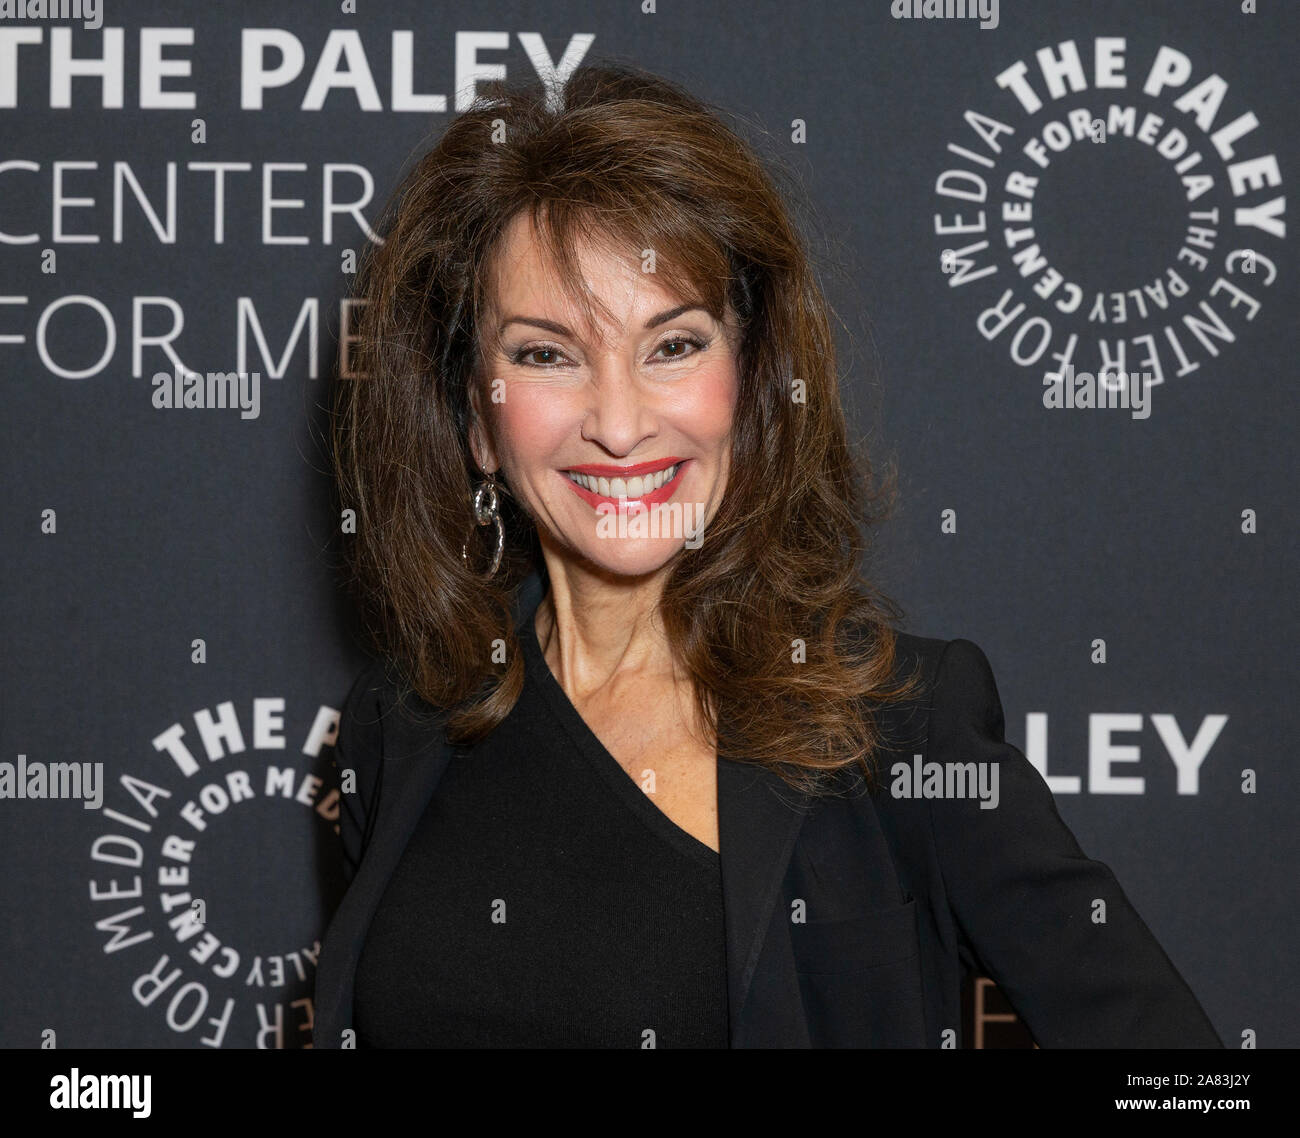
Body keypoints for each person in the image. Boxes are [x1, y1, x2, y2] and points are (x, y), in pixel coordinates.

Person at [313, 60, 1221, 1049]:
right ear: (475, 420)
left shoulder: (896, 734)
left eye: (673, 345)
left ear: (753, 386)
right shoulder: (401, 723)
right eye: (545, 353)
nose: (618, 424)